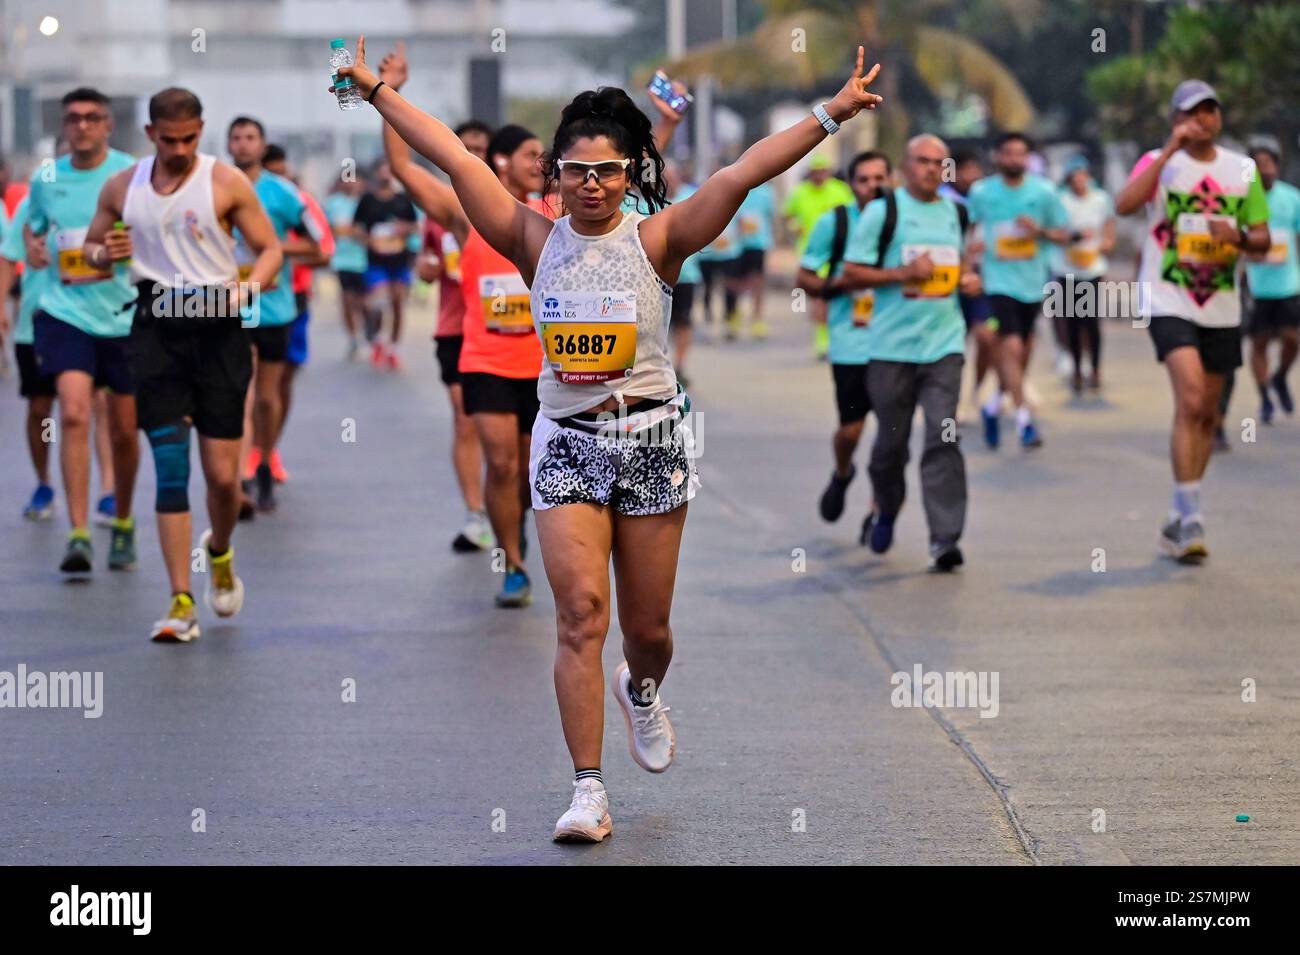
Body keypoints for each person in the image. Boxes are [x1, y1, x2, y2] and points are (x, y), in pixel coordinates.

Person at [338, 35, 883, 842]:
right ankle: (587, 788)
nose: (591, 185)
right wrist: (376, 93)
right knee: (579, 616)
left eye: (607, 171)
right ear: (554, 174)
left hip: (653, 438)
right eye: (576, 171)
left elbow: (745, 172)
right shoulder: (531, 239)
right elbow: (452, 155)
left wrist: (831, 114)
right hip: (566, 439)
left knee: (647, 631)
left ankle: (643, 687)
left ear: (631, 174)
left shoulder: (659, 239)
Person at [84, 86, 283, 640]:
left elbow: (270, 250)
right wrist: (104, 253)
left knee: (222, 478)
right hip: (156, 328)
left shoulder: (225, 182)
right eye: (169, 140)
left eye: (189, 139)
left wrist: (248, 290)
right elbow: (93, 253)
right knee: (171, 468)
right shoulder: (122, 186)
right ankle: (179, 601)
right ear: (150, 134)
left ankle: (219, 550)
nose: (179, 149)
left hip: (219, 328)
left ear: (201, 131)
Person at [372, 46, 536, 593]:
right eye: (533, 155)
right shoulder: (465, 215)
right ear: (505, 161)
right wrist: (388, 92)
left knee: (530, 473)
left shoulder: (556, 214)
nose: (542, 164)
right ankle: (512, 562)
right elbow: (403, 168)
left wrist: (665, 126)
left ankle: (519, 525)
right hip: (483, 359)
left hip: (545, 368)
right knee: (501, 464)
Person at [1115, 80, 1270, 563]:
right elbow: (1124, 205)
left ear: (1219, 118)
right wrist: (1168, 151)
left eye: (1210, 110)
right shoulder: (1156, 162)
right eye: (1192, 111)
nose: (1202, 119)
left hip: (1221, 302)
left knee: (1208, 412)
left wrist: (1236, 236)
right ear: (1176, 119)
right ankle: (1193, 517)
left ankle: (1179, 512)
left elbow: (1263, 240)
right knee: (1192, 397)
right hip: (1167, 298)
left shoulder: (1242, 170)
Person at [841, 134, 977, 570]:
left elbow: (960, 264)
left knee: (943, 435)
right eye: (923, 161)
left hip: (944, 346)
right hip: (891, 349)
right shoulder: (884, 212)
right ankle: (885, 508)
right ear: (905, 164)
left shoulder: (956, 211)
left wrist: (968, 279)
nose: (931, 169)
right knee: (890, 446)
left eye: (939, 162)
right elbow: (852, 273)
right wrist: (904, 273)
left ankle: (944, 539)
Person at [24, 87, 140, 575]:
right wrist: (33, 247)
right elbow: (32, 227)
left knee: (124, 430)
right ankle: (78, 534)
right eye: (74, 118)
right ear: (64, 126)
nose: (83, 125)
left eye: (93, 117)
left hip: (125, 314)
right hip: (63, 311)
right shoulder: (47, 177)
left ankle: (123, 519)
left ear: (108, 124)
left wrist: (128, 247)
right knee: (73, 413)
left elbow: (156, 232)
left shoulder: (132, 172)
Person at [226, 117, 325, 513]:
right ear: (228, 144)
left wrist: (272, 249)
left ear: (262, 145)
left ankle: (265, 461)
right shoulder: (214, 185)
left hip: (273, 309)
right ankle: (241, 478)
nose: (243, 144)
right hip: (230, 308)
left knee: (266, 397)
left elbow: (319, 247)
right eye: (236, 137)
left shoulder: (283, 192)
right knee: (240, 393)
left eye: (250, 137)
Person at [796, 150, 889, 529]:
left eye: (880, 178)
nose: (872, 186)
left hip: (898, 344)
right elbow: (804, 277)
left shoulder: (903, 221)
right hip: (851, 343)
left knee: (892, 435)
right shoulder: (834, 222)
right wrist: (839, 285)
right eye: (864, 179)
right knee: (851, 429)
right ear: (851, 185)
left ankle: (881, 508)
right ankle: (842, 471)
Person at [967, 132, 1069, 449]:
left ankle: (994, 404)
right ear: (997, 157)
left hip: (1033, 282)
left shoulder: (1044, 192)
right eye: (1008, 153)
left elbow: (1064, 234)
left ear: (1028, 158)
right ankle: (1024, 419)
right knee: (1010, 344)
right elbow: (969, 229)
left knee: (1023, 349)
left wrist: (1038, 231)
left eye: (1020, 153)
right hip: (997, 282)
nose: (1014, 159)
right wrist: (970, 259)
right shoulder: (982, 192)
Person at [260, 144, 336, 481]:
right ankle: (251, 455)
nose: (279, 183)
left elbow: (324, 253)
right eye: (272, 175)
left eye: (283, 175)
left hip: (293, 299)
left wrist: (276, 254)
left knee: (282, 380)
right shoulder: (240, 197)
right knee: (249, 384)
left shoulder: (300, 202)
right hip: (248, 301)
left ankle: (269, 448)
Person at [1, 193, 58, 519]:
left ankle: (109, 491)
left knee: (92, 410)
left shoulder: (106, 194)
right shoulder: (34, 202)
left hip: (97, 323)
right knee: (43, 410)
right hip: (36, 323)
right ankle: (44, 481)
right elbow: (9, 255)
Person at [1243, 142, 1300, 424]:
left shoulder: (1291, 198)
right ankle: (1264, 396)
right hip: (1258, 285)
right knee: (1260, 342)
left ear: (1277, 165)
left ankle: (1280, 377)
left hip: (1288, 283)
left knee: (1292, 339)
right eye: (1258, 164)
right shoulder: (1243, 200)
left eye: (1268, 163)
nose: (1264, 169)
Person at [1050, 155, 1116, 393]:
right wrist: (1071, 238)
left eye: (1083, 175)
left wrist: (1105, 244)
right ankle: (1077, 369)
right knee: (1072, 320)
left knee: (1091, 320)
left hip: (1092, 268)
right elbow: (1054, 232)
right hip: (1066, 268)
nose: (1079, 180)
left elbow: (1109, 231)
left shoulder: (1101, 200)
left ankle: (1095, 368)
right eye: (1075, 176)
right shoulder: (1061, 201)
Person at [784, 153, 855, 358]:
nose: (819, 176)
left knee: (837, 296)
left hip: (839, 250)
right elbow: (787, 215)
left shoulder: (840, 190)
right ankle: (822, 341)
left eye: (823, 171)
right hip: (811, 253)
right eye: (815, 172)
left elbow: (855, 212)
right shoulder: (800, 192)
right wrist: (795, 226)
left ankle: (837, 337)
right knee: (819, 296)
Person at [354, 159, 418, 369]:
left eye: (389, 171)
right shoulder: (367, 200)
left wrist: (404, 229)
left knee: (398, 302)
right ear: (375, 174)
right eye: (381, 171)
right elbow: (356, 228)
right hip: (376, 261)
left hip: (399, 260)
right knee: (378, 303)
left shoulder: (403, 200)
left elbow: (415, 226)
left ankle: (394, 348)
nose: (385, 175)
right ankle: (377, 338)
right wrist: (370, 240)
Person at [324, 172, 370, 358]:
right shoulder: (333, 203)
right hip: (343, 260)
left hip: (366, 260)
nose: (351, 183)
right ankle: (353, 339)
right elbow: (325, 228)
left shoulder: (367, 202)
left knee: (366, 302)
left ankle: (369, 329)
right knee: (348, 300)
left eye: (355, 179)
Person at [729, 180, 776, 340]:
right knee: (735, 283)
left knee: (757, 282)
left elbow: (771, 218)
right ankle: (734, 316)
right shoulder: (737, 187)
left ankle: (757, 320)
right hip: (737, 245)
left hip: (759, 243)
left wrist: (771, 244)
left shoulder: (766, 192)